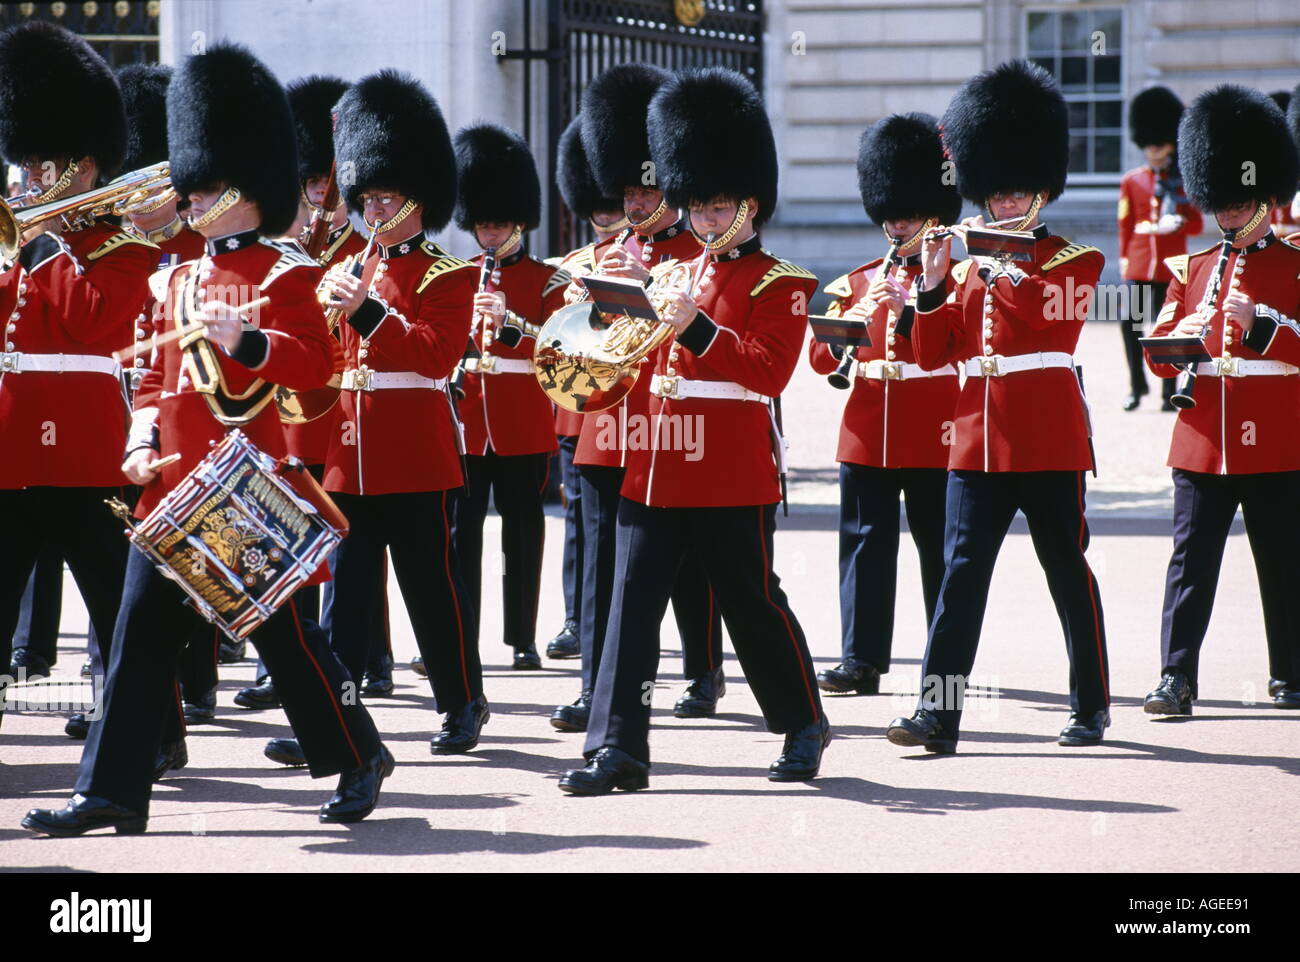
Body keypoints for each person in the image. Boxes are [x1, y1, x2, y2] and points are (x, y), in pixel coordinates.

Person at [22, 42, 391, 836]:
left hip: (243, 484)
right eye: (189, 188)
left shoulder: (284, 274)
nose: (189, 201)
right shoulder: (176, 276)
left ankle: (359, 754)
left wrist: (248, 342)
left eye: (206, 189)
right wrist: (141, 437)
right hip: (171, 485)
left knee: (289, 639)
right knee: (135, 644)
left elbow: (313, 369)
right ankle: (113, 790)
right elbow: (154, 377)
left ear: (249, 191)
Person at [559, 66, 829, 794]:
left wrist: (698, 327)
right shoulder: (663, 270)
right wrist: (609, 305)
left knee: (751, 603)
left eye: (718, 208)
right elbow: (617, 365)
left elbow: (769, 373)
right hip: (652, 463)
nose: (706, 220)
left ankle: (803, 723)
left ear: (749, 203)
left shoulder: (781, 282)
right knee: (630, 606)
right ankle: (618, 749)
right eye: (698, 208)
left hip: (729, 470)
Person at [885, 60, 1111, 754]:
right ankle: (938, 715)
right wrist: (925, 294)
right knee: (960, 582)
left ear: (1041, 191)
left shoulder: (1077, 259)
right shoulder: (963, 267)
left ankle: (1090, 706)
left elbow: (1049, 323)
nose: (1007, 205)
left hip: (1046, 439)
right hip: (976, 440)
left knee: (1065, 572)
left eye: (1018, 194)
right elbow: (933, 356)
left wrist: (993, 259)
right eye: (997, 194)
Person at [310, 69, 487, 755]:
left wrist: (367, 310)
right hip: (348, 456)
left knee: (430, 594)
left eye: (387, 195)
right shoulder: (348, 264)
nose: (375, 207)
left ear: (418, 198)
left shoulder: (448, 275)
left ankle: (462, 701)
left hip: (414, 457)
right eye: (369, 195)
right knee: (348, 602)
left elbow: (435, 356)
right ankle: (339, 714)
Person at [552, 63, 725, 735]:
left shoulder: (698, 253)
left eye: (644, 187)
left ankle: (704, 667)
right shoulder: (605, 251)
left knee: (690, 567)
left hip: (666, 428)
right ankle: (600, 690)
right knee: (601, 569)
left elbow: (698, 335)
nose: (632, 201)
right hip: (602, 428)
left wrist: (649, 284)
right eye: (624, 188)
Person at [0, 22, 155, 737]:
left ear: (88, 166)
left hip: (88, 452)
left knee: (116, 607)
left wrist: (45, 248)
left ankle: (158, 732)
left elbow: (93, 323)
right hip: (13, 449)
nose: (32, 177)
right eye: (27, 162)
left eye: (47, 163)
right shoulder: (21, 240)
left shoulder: (122, 247)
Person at [237, 74, 395, 724]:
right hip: (289, 411)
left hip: (337, 409)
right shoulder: (282, 253)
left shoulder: (365, 252)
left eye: (328, 190)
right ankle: (282, 659)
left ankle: (364, 656)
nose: (319, 201)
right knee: (287, 524)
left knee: (345, 538)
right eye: (311, 189)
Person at [1141, 85, 1300, 715]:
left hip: (1277, 432)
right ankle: (1175, 677)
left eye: (1239, 205)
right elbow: (1160, 348)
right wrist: (1170, 343)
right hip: (1204, 434)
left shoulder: (1294, 265)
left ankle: (1289, 671)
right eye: (1222, 205)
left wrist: (1261, 323)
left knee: (1284, 563)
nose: (1229, 216)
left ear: (1264, 198)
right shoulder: (1192, 268)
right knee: (1190, 563)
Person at [809, 113, 961, 697]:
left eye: (910, 215)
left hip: (934, 426)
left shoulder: (956, 277)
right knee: (865, 543)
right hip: (868, 427)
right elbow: (822, 362)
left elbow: (936, 352)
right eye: (891, 215)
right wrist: (855, 316)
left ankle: (941, 660)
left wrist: (919, 297)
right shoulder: (857, 281)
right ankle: (860, 658)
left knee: (937, 550)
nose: (898, 225)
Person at [451, 122, 567, 671]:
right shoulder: (456, 278)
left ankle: (521, 637)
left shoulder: (549, 281)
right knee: (460, 538)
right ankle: (459, 636)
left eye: (498, 225)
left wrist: (512, 322)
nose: (490, 235)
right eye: (482, 226)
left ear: (519, 222)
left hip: (522, 421)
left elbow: (564, 348)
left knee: (522, 535)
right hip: (468, 422)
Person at [542, 115, 629, 665]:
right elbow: (552, 342)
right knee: (581, 520)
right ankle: (580, 617)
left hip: (635, 406)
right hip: (581, 411)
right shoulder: (570, 267)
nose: (603, 209)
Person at [1117, 87, 1203, 412]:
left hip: (1171, 271)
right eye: (1150, 145)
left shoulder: (1182, 182)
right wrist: (1126, 260)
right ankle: (1137, 386)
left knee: (1167, 327)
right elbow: (1125, 225)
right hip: (1140, 269)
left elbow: (1196, 225)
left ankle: (1169, 389)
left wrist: (1178, 223)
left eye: (1161, 144)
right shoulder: (1132, 181)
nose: (1155, 151)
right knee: (1131, 324)